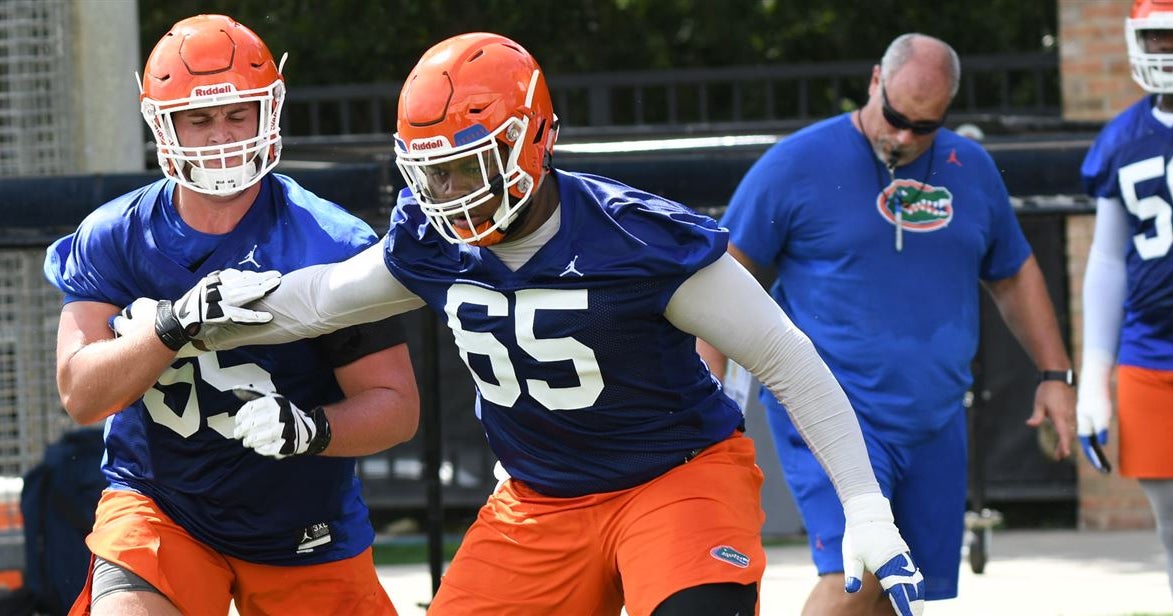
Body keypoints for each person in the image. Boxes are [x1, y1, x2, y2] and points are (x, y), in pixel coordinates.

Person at [148, 31, 928, 616]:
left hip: (674, 478)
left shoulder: (633, 239)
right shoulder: (432, 241)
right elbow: (316, 300)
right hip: (538, 498)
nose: (448, 192)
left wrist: (863, 502)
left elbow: (784, 357)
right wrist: (183, 323)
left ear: (534, 138)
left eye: (466, 165)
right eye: (431, 172)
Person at [44, 14, 419, 616]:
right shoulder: (117, 236)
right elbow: (81, 394)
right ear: (164, 125)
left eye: (236, 113)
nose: (221, 136)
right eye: (199, 118)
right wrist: (172, 326)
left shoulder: (329, 240)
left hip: (304, 523)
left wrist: (310, 428)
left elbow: (396, 407)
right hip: (162, 506)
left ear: (268, 111)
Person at [697, 32, 1077, 614]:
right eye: (895, 116)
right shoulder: (797, 164)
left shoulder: (969, 169)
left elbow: (1014, 272)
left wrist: (1056, 374)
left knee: (904, 597)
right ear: (875, 80)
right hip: (830, 408)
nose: (902, 136)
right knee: (863, 574)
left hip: (935, 416)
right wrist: (707, 405)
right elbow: (719, 282)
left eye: (922, 127)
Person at [1079, 0, 1173, 599]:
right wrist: (1094, 375)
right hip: (1152, 352)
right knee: (1171, 521)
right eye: (1158, 37)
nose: (1167, 50)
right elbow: (1108, 259)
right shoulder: (1125, 137)